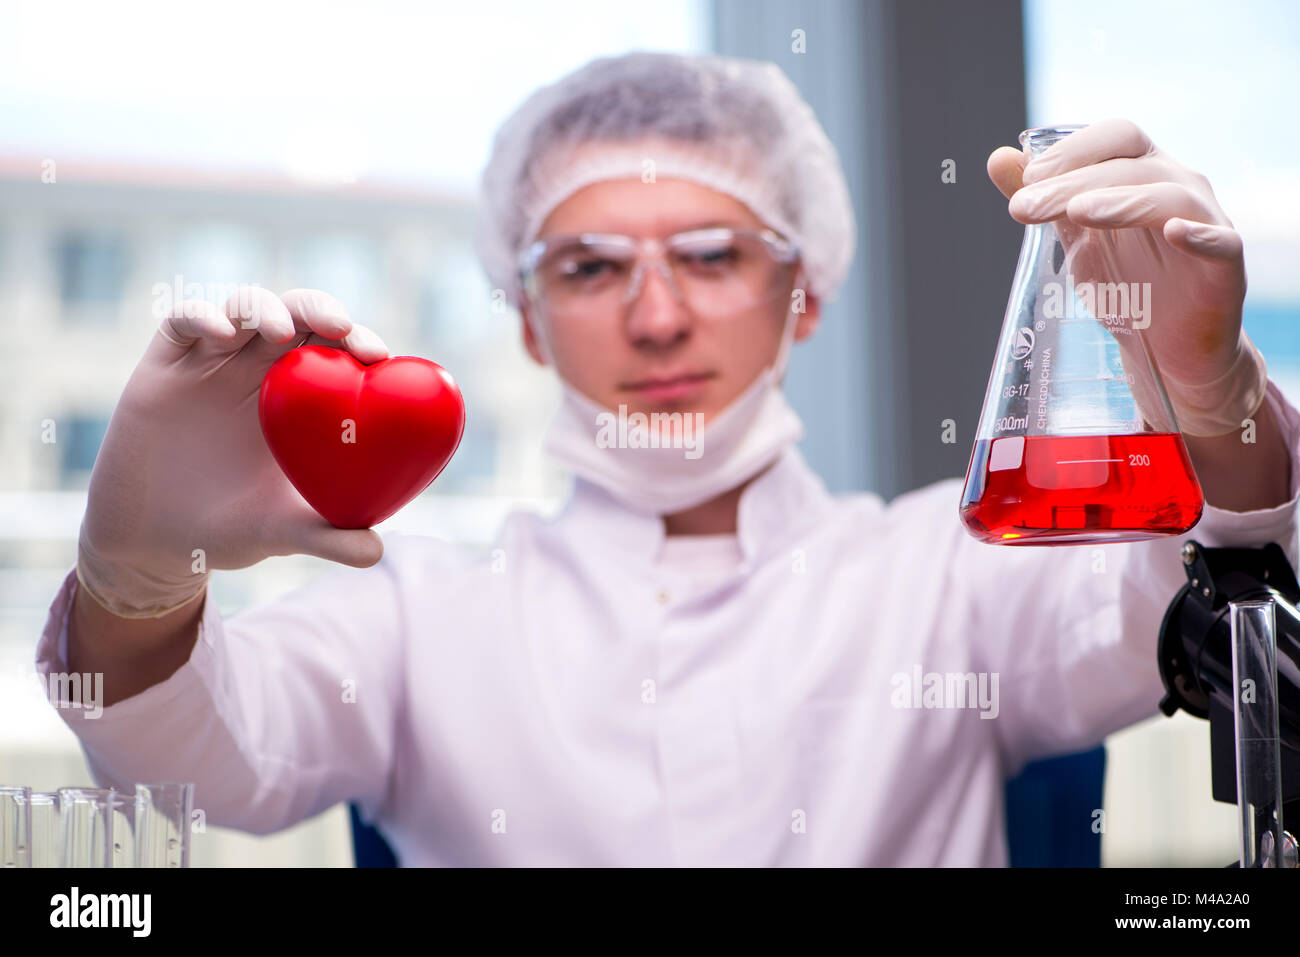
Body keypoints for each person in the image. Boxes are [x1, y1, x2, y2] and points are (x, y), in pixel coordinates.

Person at [36, 51, 1300, 866]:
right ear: (525, 320)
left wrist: (1216, 397)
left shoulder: (949, 574)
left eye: (709, 253)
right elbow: (205, 765)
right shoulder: (417, 615)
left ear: (803, 293)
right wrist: (138, 586)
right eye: (587, 268)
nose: (654, 317)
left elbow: (1195, 581)